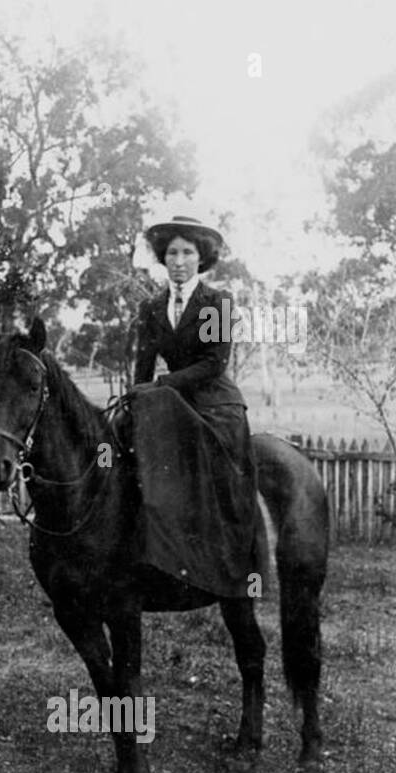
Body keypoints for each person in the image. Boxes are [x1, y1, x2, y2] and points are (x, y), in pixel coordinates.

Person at [124, 214, 262, 597]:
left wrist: (163, 385)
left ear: (201, 258)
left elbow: (215, 363)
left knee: (219, 471)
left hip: (214, 403)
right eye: (172, 253)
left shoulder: (218, 302)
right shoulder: (151, 307)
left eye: (188, 252)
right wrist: (135, 398)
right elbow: (143, 365)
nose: (179, 260)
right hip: (169, 403)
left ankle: (233, 553)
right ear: (163, 258)